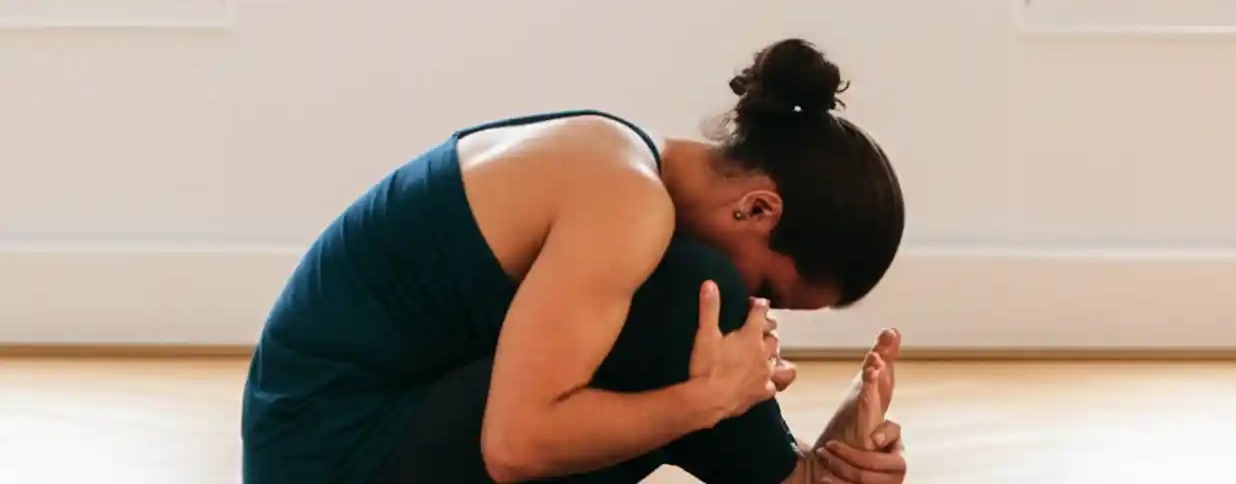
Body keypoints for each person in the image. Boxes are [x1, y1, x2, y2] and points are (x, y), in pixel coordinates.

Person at [241, 38, 908, 483]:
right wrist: (707, 399)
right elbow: (515, 445)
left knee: (690, 314)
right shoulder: (627, 202)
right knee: (701, 304)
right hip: (329, 455)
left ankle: (800, 476)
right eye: (770, 288)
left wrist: (822, 457)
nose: (761, 311)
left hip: (356, 429)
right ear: (759, 209)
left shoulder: (617, 160)